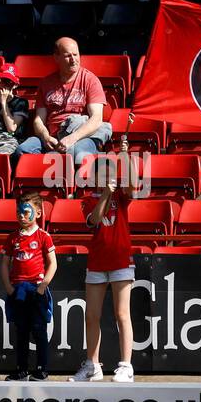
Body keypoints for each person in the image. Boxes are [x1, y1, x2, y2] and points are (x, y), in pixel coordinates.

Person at [71, 140, 136, 384]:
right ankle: (93, 366)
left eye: (110, 171)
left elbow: (131, 184)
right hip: (97, 262)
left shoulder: (122, 195)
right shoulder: (88, 200)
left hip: (120, 259)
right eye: (101, 172)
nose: (106, 176)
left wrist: (125, 154)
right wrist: (106, 194)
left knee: (122, 314)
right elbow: (95, 220)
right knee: (92, 315)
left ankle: (126, 366)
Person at [16, 37, 111, 164]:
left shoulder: (90, 80)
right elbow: (39, 119)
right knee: (22, 151)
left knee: (77, 153)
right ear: (56, 57)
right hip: (52, 138)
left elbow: (96, 119)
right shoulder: (46, 83)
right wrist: (45, 137)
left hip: (81, 137)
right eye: (68, 56)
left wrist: (71, 138)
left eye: (76, 55)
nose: (73, 60)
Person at [1, 190, 56, 382]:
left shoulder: (43, 236)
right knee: (21, 331)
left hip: (36, 289)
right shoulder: (12, 238)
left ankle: (42, 369)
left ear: (38, 213)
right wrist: (9, 287)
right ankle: (21, 370)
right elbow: (4, 264)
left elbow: (53, 263)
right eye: (19, 212)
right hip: (18, 290)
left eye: (26, 212)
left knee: (39, 329)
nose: (22, 216)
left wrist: (43, 286)